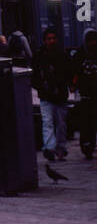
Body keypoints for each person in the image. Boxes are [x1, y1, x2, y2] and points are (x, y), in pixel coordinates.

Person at [31, 28, 73, 162]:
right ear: (44, 41)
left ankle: (60, 148)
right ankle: (50, 148)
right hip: (46, 95)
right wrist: (40, 86)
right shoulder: (38, 56)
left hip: (60, 95)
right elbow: (34, 75)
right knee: (48, 122)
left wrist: (70, 84)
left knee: (61, 124)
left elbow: (68, 72)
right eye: (49, 39)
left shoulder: (62, 55)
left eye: (53, 38)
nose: (51, 41)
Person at [70, 29, 97, 161]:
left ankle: (91, 144)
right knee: (85, 121)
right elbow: (74, 72)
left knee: (93, 121)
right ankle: (86, 145)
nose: (93, 43)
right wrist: (73, 86)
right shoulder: (79, 54)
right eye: (90, 41)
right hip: (84, 94)